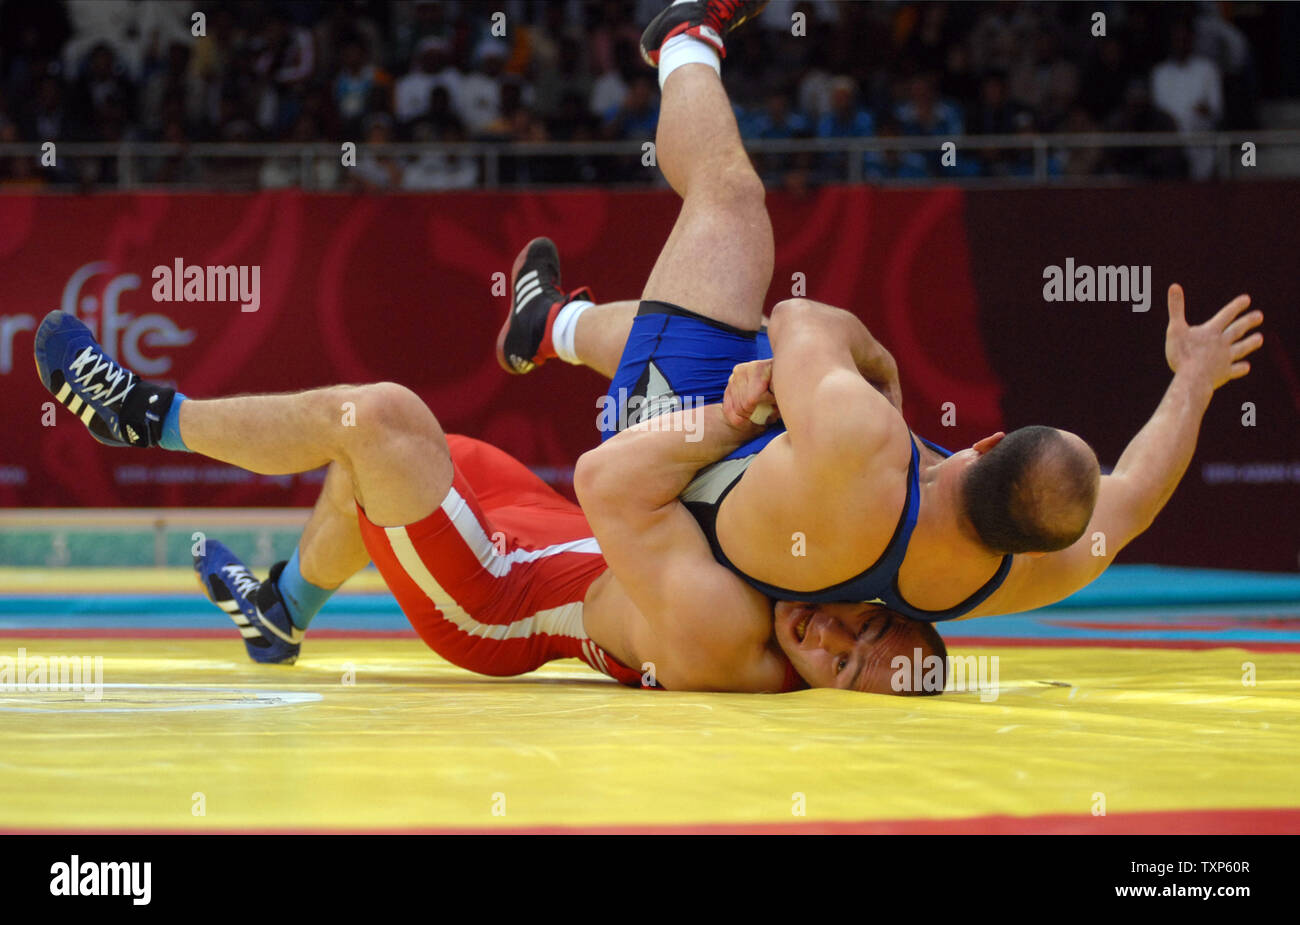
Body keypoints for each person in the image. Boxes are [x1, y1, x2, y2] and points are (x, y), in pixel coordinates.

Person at [496, 1, 1266, 660]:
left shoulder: (863, 441)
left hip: (673, 445)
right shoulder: (1025, 575)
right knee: (748, 343)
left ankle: (685, 34)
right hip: (775, 469)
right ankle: (553, 321)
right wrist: (1193, 381)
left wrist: (875, 358)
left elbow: (802, 316)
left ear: (988, 444)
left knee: (729, 202)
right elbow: (1133, 496)